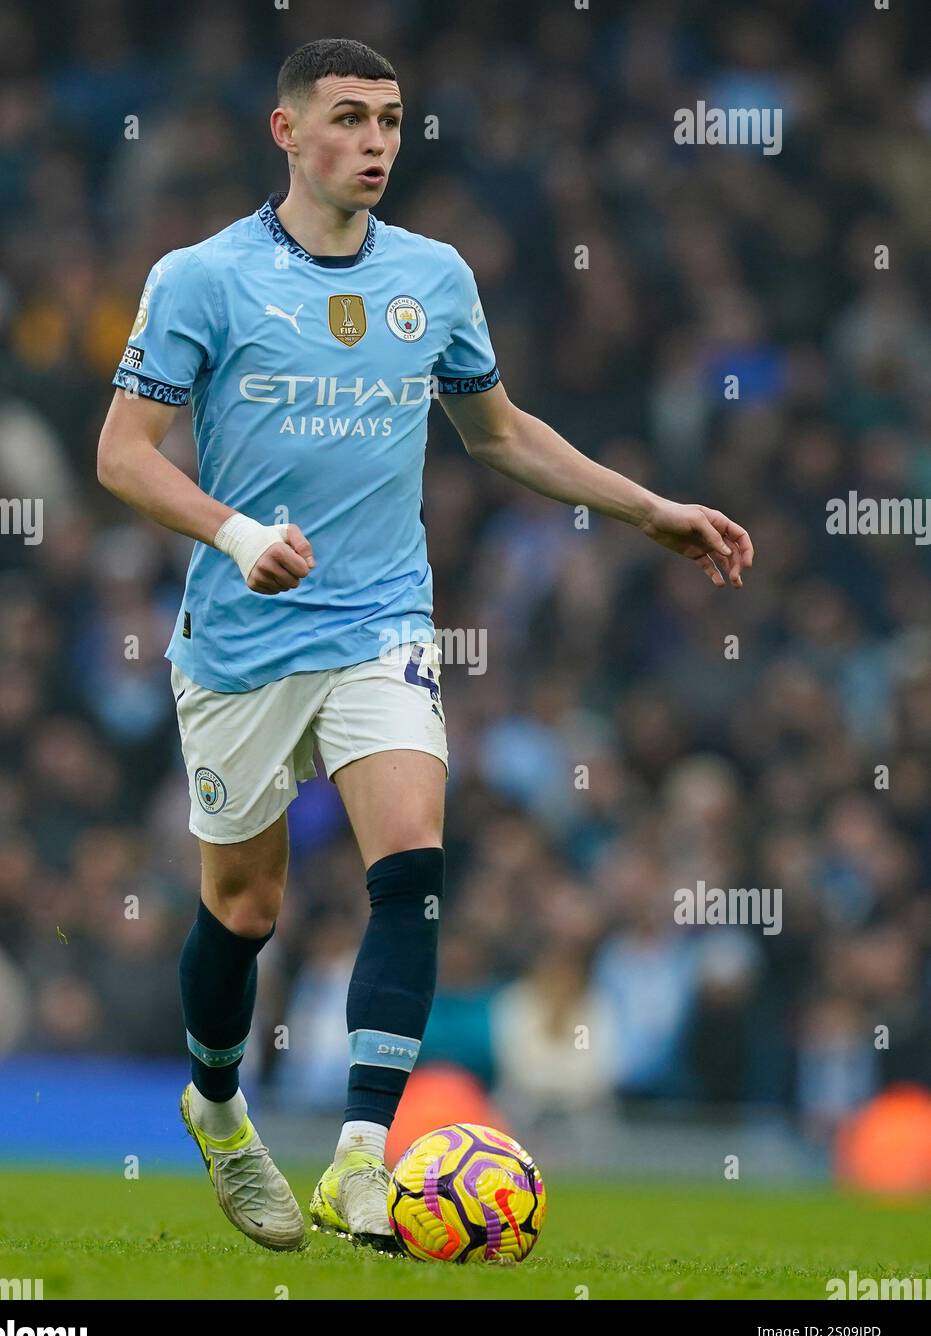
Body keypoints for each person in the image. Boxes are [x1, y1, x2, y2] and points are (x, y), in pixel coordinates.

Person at [97, 36, 753, 1254]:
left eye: (392, 121)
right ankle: (219, 1106)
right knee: (242, 910)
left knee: (411, 861)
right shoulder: (201, 278)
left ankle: (361, 1155)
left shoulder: (435, 277)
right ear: (286, 132)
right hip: (242, 634)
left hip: (384, 618)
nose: (376, 143)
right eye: (349, 118)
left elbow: (497, 435)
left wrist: (647, 507)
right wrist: (237, 534)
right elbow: (120, 454)